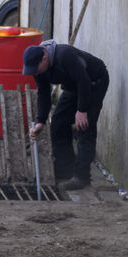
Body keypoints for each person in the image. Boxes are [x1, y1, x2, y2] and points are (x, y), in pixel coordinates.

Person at [24, 40, 109, 190]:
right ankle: (65, 168)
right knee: (57, 122)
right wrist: (40, 121)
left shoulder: (65, 56)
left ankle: (82, 177)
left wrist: (82, 111)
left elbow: (84, 81)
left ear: (44, 57)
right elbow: (43, 93)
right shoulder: (38, 69)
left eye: (35, 69)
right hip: (74, 86)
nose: (35, 73)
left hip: (94, 82)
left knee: (84, 127)